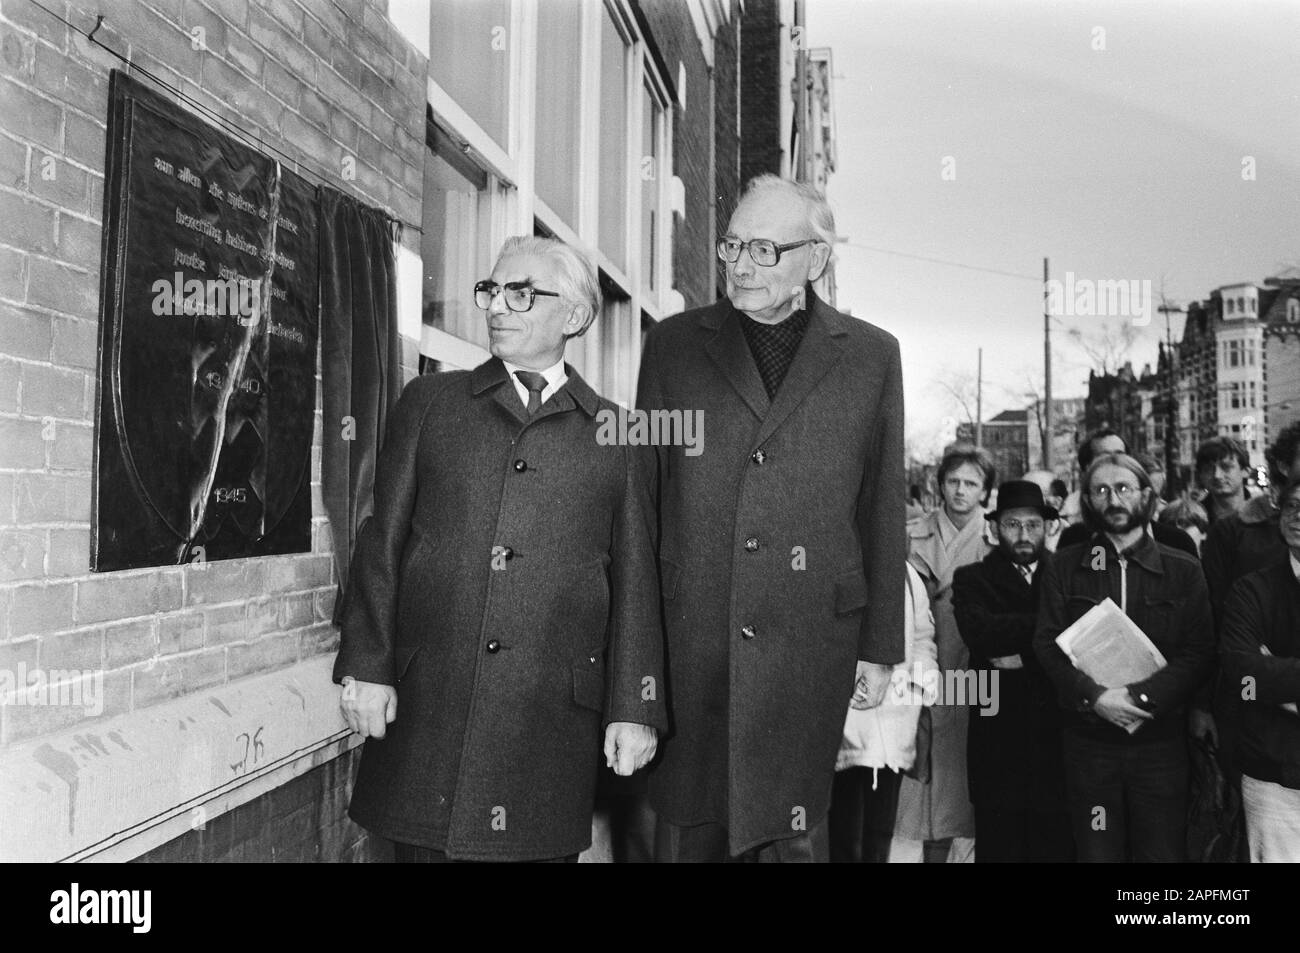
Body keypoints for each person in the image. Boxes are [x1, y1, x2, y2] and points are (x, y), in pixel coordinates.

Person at [334, 236, 666, 863]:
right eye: (492, 289)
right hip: (425, 726)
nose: (497, 306)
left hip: (546, 738)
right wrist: (366, 665)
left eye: (521, 292)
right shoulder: (431, 405)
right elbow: (382, 541)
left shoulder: (618, 436)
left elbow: (636, 585)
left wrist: (635, 707)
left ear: (574, 316)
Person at [636, 174, 906, 862]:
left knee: (793, 836)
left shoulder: (873, 356)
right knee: (687, 832)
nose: (741, 265)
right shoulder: (671, 347)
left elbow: (881, 505)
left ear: (816, 260)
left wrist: (880, 644)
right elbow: (645, 505)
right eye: (731, 246)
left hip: (811, 647)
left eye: (764, 249)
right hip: (693, 644)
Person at [1034, 453, 1215, 862]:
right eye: (1100, 490)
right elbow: (1045, 644)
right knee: (1097, 852)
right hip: (1089, 747)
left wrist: (1139, 699)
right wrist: (1095, 697)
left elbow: (1200, 650)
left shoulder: (1182, 569)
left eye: (1123, 488)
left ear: (1146, 496)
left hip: (1160, 748)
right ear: (1088, 501)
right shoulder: (1064, 567)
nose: (1112, 499)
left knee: (1162, 854)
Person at [952, 480, 1073, 862]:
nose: (1023, 534)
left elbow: (1080, 638)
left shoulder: (1067, 575)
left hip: (1056, 741)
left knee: (1054, 847)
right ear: (994, 527)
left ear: (1048, 527)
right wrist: (1048, 636)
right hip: (997, 743)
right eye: (1012, 524)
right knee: (1000, 847)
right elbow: (980, 634)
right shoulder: (971, 577)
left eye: (1033, 524)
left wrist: (1021, 651)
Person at [899, 444, 995, 862]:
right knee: (921, 768)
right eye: (953, 481)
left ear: (985, 491)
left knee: (966, 770)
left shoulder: (995, 538)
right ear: (940, 485)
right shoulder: (912, 533)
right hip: (920, 661)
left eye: (971, 483)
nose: (960, 490)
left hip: (973, 666)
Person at [830, 562, 938, 863]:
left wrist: (917, 691)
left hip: (894, 728)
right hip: (844, 727)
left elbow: (923, 638)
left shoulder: (906, 574)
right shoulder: (839, 560)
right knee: (843, 832)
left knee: (880, 834)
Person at [1219, 476, 1300, 862]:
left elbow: (1262, 676)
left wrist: (1278, 678)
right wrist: (1261, 674)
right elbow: (1243, 675)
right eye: (1292, 505)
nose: (1299, 515)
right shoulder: (1252, 591)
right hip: (1275, 779)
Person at [1058, 430, 1197, 556]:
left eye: (1120, 456)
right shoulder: (1073, 542)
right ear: (1086, 471)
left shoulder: (1177, 543)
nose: (1114, 463)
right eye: (1104, 458)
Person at [1196, 436, 1252, 524]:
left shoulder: (1265, 515)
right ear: (1200, 475)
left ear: (1245, 471)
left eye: (1226, 467)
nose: (1217, 475)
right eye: (1208, 469)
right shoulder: (1193, 518)